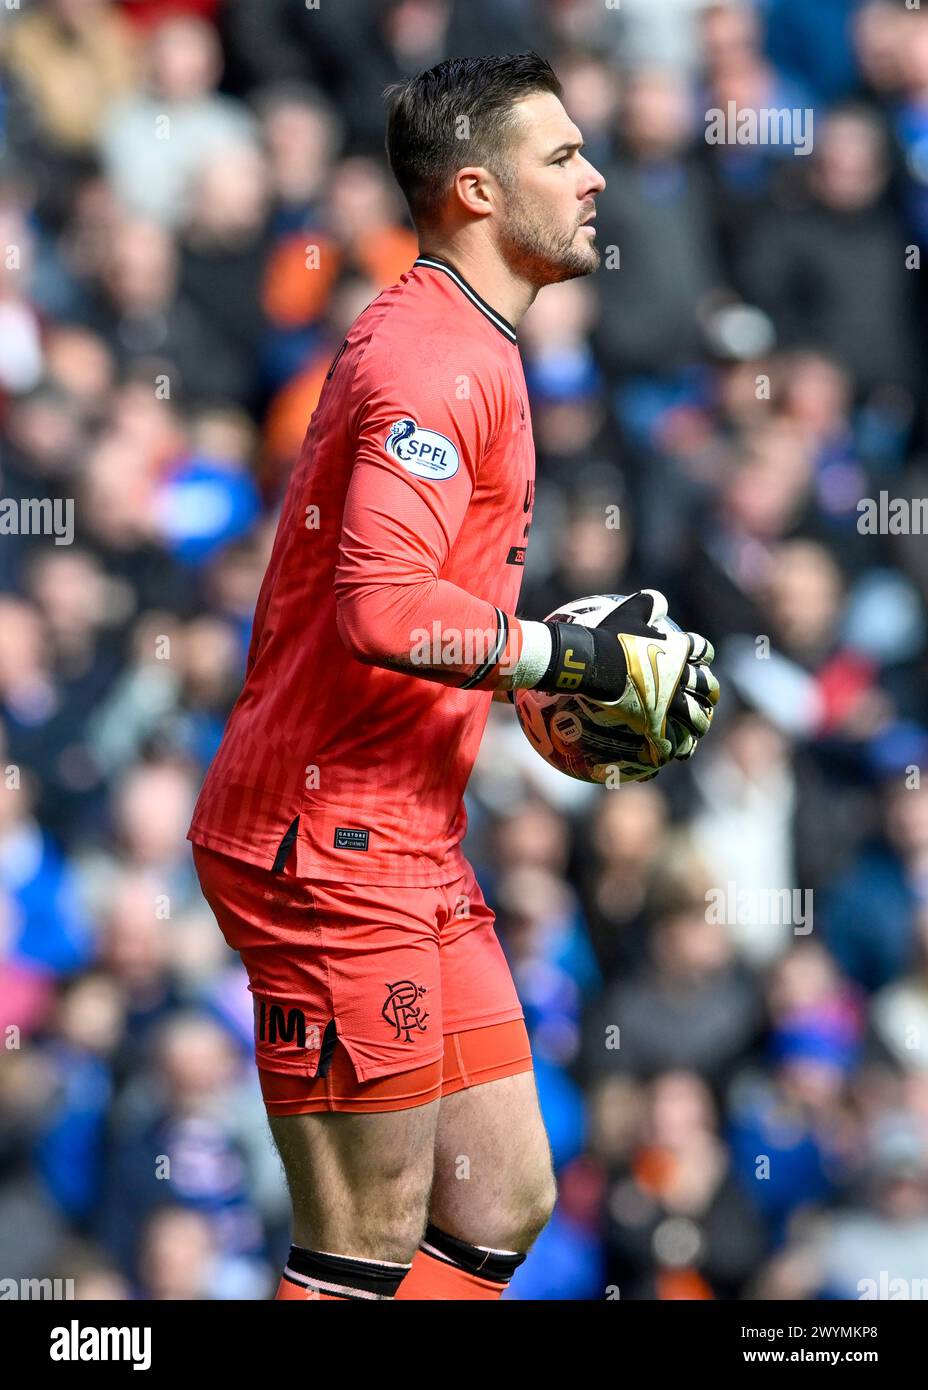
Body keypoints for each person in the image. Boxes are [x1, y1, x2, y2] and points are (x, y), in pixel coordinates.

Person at [186, 51, 719, 1303]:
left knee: (498, 1196)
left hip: (407, 828)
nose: (595, 179)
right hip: (322, 842)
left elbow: (395, 615)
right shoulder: (436, 360)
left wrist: (532, 685)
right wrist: (563, 654)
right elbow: (380, 605)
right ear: (476, 191)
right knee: (362, 1240)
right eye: (562, 157)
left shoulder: (474, 341)